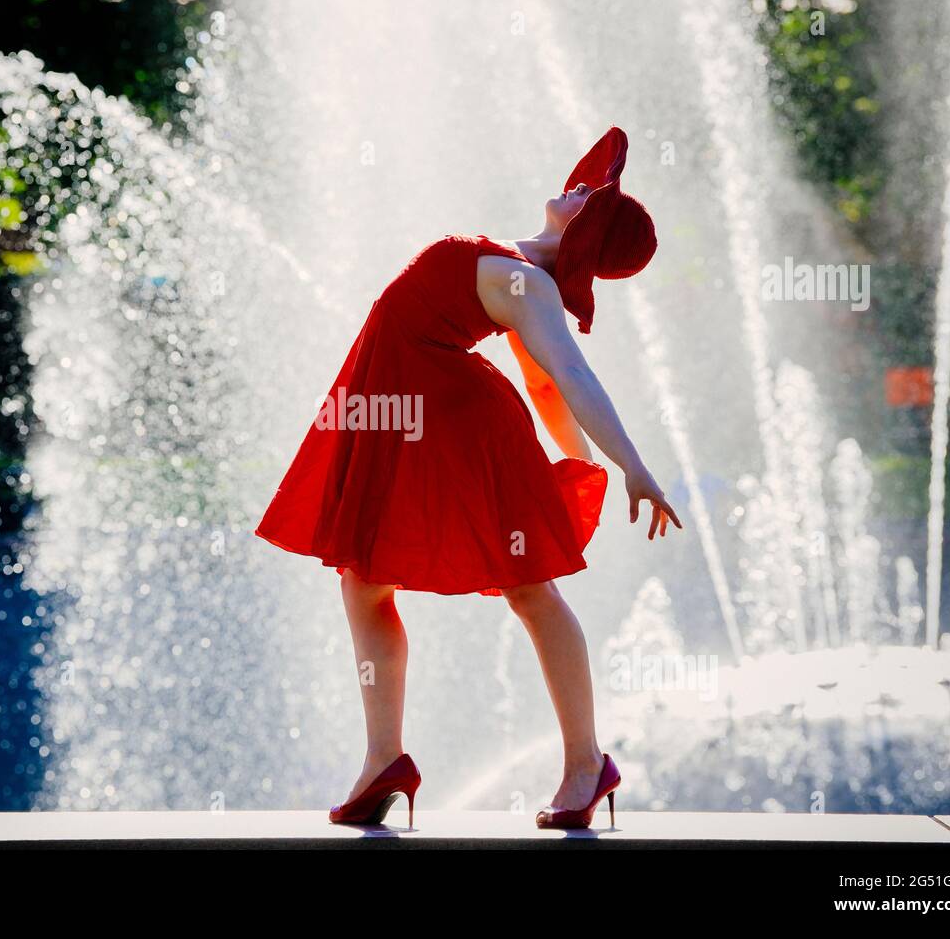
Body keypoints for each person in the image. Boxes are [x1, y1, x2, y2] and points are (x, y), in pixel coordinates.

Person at [257, 127, 681, 830]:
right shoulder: (522, 270)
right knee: (364, 581)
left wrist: (629, 466)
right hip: (402, 415)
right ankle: (384, 760)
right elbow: (544, 389)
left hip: (445, 418)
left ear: (590, 228)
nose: (576, 186)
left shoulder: (529, 284)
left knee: (527, 588)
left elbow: (569, 376)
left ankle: (586, 763)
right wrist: (570, 462)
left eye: (589, 196)